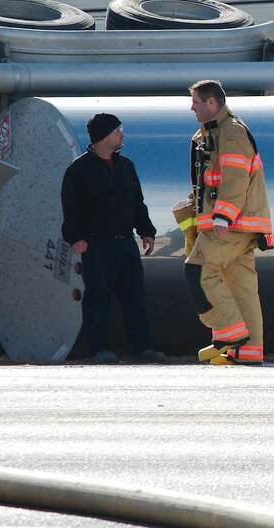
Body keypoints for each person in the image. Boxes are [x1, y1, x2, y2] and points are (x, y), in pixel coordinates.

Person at [60, 113, 165, 364]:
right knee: (98, 297)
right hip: (96, 244)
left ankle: (142, 348)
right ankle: (97, 349)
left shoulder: (126, 166)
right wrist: (76, 238)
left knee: (134, 296)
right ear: (103, 136)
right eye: (117, 130)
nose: (122, 135)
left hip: (125, 242)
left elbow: (137, 203)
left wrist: (146, 231)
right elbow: (71, 208)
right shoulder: (79, 170)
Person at [186, 80, 273, 366]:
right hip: (239, 224)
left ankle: (230, 334)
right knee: (241, 287)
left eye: (196, 102)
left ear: (212, 102)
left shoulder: (230, 132)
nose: (192, 108)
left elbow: (235, 178)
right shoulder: (213, 132)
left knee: (199, 272)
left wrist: (223, 214)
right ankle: (248, 352)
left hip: (230, 224)